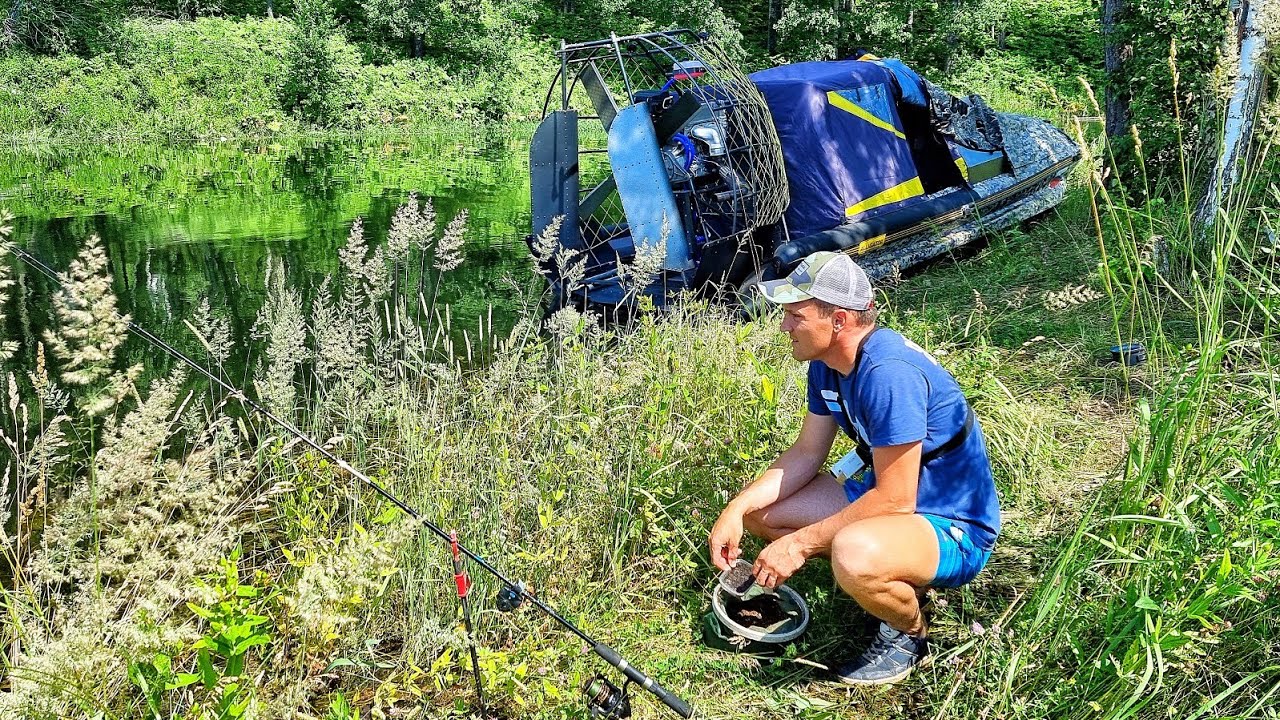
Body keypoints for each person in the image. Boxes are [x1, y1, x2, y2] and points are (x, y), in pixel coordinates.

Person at [708, 250, 1000, 685]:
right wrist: (735, 507)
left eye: (795, 315)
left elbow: (896, 500)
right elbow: (807, 454)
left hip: (951, 521)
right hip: (887, 495)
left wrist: (800, 545)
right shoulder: (827, 363)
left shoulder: (887, 374)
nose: (784, 326)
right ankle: (887, 574)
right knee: (760, 513)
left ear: (839, 320)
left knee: (852, 552)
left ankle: (909, 632)